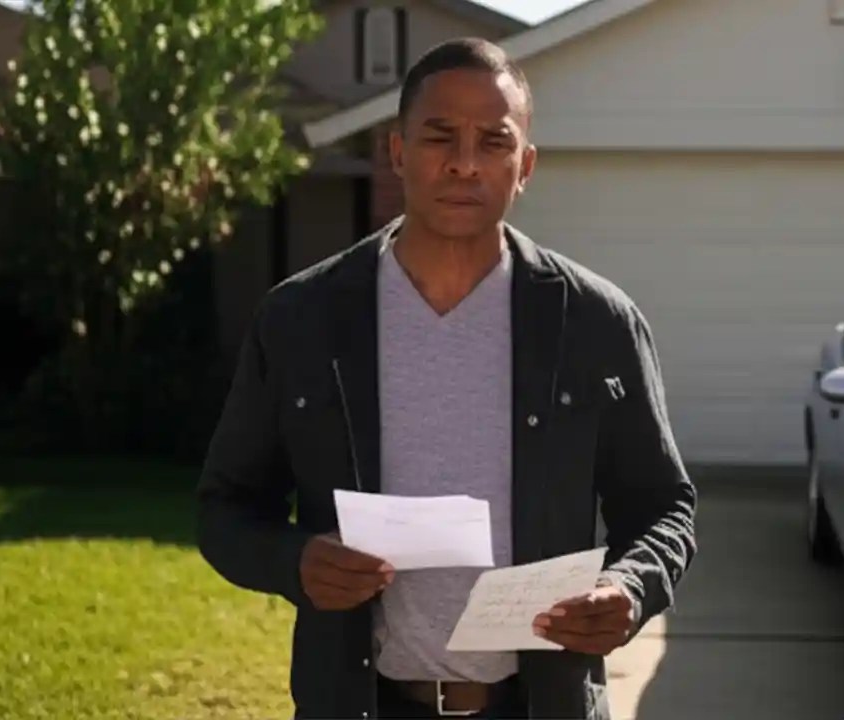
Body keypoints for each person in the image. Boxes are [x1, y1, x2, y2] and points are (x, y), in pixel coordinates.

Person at [196, 37, 697, 720]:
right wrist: (295, 559)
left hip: (540, 704)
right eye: (440, 137)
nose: (464, 163)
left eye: (493, 143)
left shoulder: (595, 323)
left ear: (525, 166)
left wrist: (629, 589)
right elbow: (225, 508)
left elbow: (664, 508)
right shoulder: (300, 319)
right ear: (397, 152)